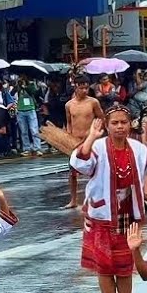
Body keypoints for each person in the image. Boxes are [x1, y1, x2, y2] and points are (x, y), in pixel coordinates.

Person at [71, 107, 147, 293]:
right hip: (101, 214)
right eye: (114, 123)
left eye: (123, 122)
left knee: (125, 266)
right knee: (104, 266)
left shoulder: (138, 149)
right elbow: (81, 164)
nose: (119, 127)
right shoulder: (97, 146)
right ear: (107, 126)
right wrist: (91, 137)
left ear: (130, 124)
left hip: (128, 214)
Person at [64, 77, 106, 208]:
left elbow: (102, 118)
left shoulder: (93, 102)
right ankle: (73, 200)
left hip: (91, 140)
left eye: (86, 88)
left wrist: (95, 133)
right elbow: (69, 122)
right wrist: (68, 136)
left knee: (96, 170)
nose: (84, 90)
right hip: (75, 141)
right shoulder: (69, 105)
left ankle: (98, 198)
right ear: (75, 87)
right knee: (73, 171)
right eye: (81, 88)